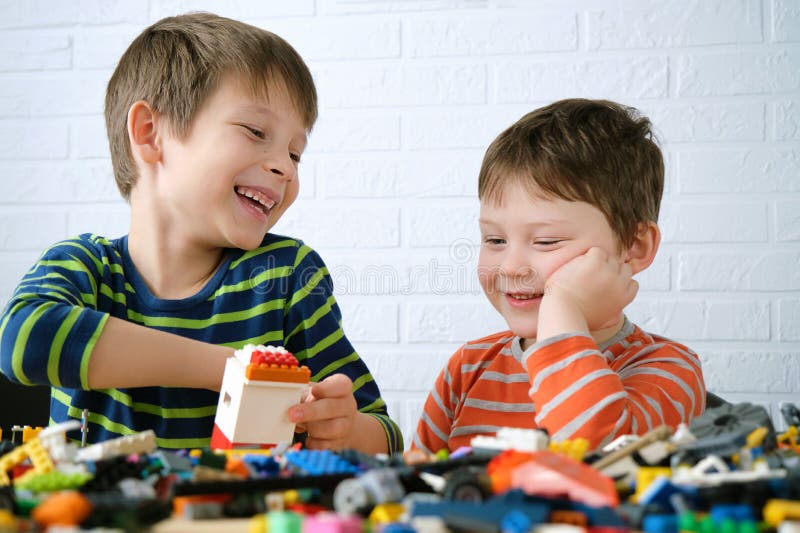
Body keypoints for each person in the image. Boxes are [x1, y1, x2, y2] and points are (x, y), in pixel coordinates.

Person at [0, 12, 402, 454]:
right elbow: (23, 341)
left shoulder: (285, 275)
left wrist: (345, 429)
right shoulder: (86, 267)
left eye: (295, 153)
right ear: (150, 134)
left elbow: (386, 434)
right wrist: (238, 369)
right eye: (255, 131)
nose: (284, 167)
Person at [413, 99, 705, 453]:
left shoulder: (669, 369)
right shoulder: (467, 368)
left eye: (546, 241)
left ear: (634, 246)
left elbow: (600, 456)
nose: (510, 267)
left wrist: (562, 307)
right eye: (495, 239)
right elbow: (413, 484)